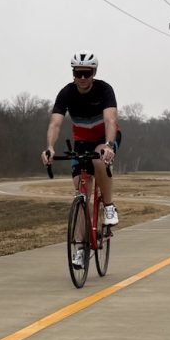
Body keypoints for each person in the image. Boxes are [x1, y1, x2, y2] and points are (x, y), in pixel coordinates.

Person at [43, 54, 120, 265]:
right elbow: (55, 124)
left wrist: (110, 145)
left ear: (94, 74)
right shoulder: (66, 93)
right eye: (79, 73)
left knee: (98, 160)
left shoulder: (104, 90)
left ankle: (109, 206)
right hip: (81, 142)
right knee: (80, 193)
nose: (83, 77)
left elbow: (110, 119)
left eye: (87, 73)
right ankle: (79, 247)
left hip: (104, 140)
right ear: (73, 74)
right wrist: (50, 147)